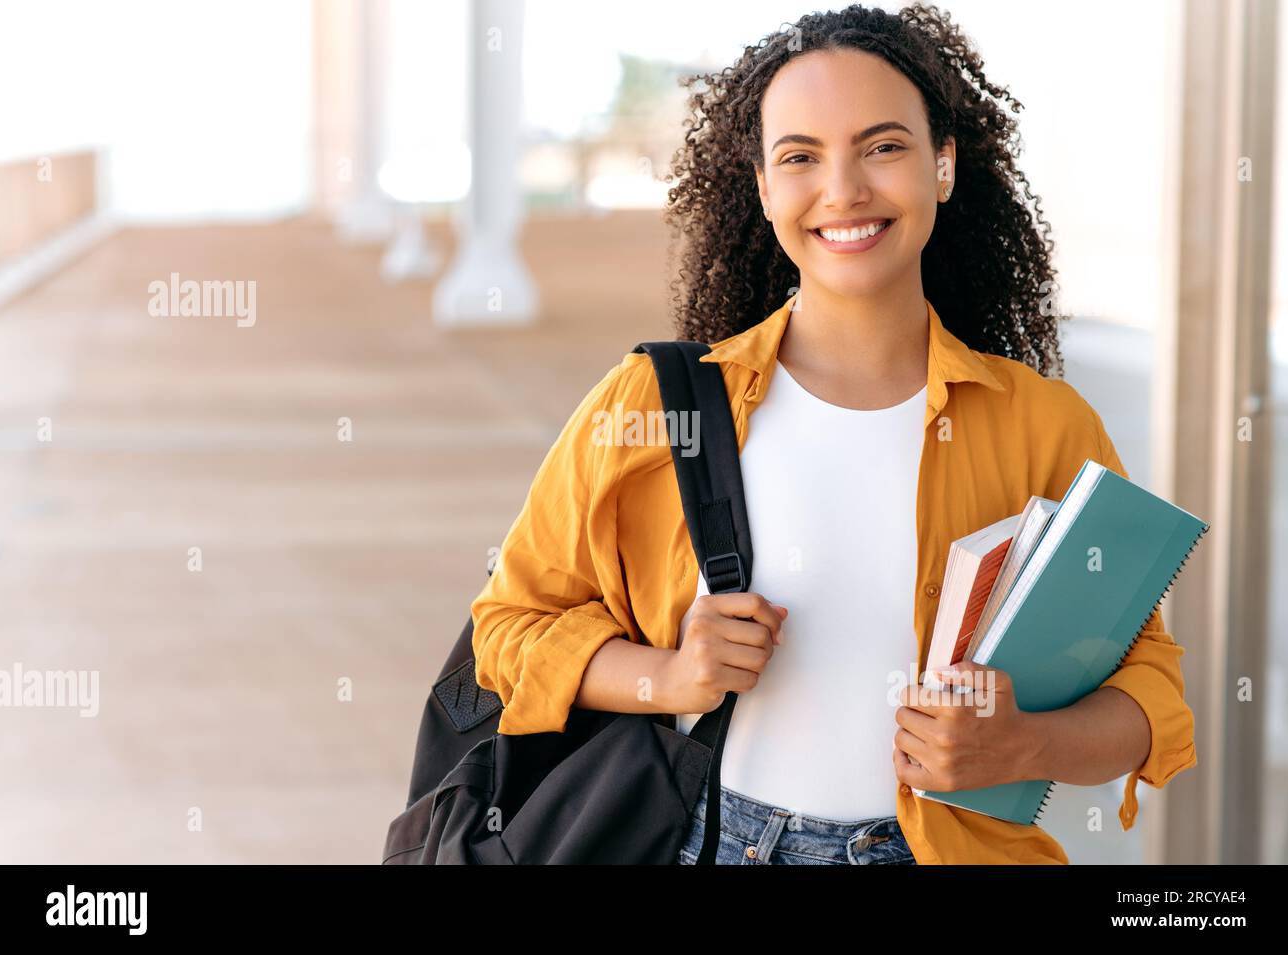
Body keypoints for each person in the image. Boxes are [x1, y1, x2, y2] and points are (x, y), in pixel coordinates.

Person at [470, 3, 1197, 865]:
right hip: (708, 843)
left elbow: (1147, 688)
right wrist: (665, 676)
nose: (843, 189)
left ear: (944, 165)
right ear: (765, 186)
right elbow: (509, 628)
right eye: (801, 157)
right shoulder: (655, 406)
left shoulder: (1042, 425)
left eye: (883, 146)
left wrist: (1026, 746)